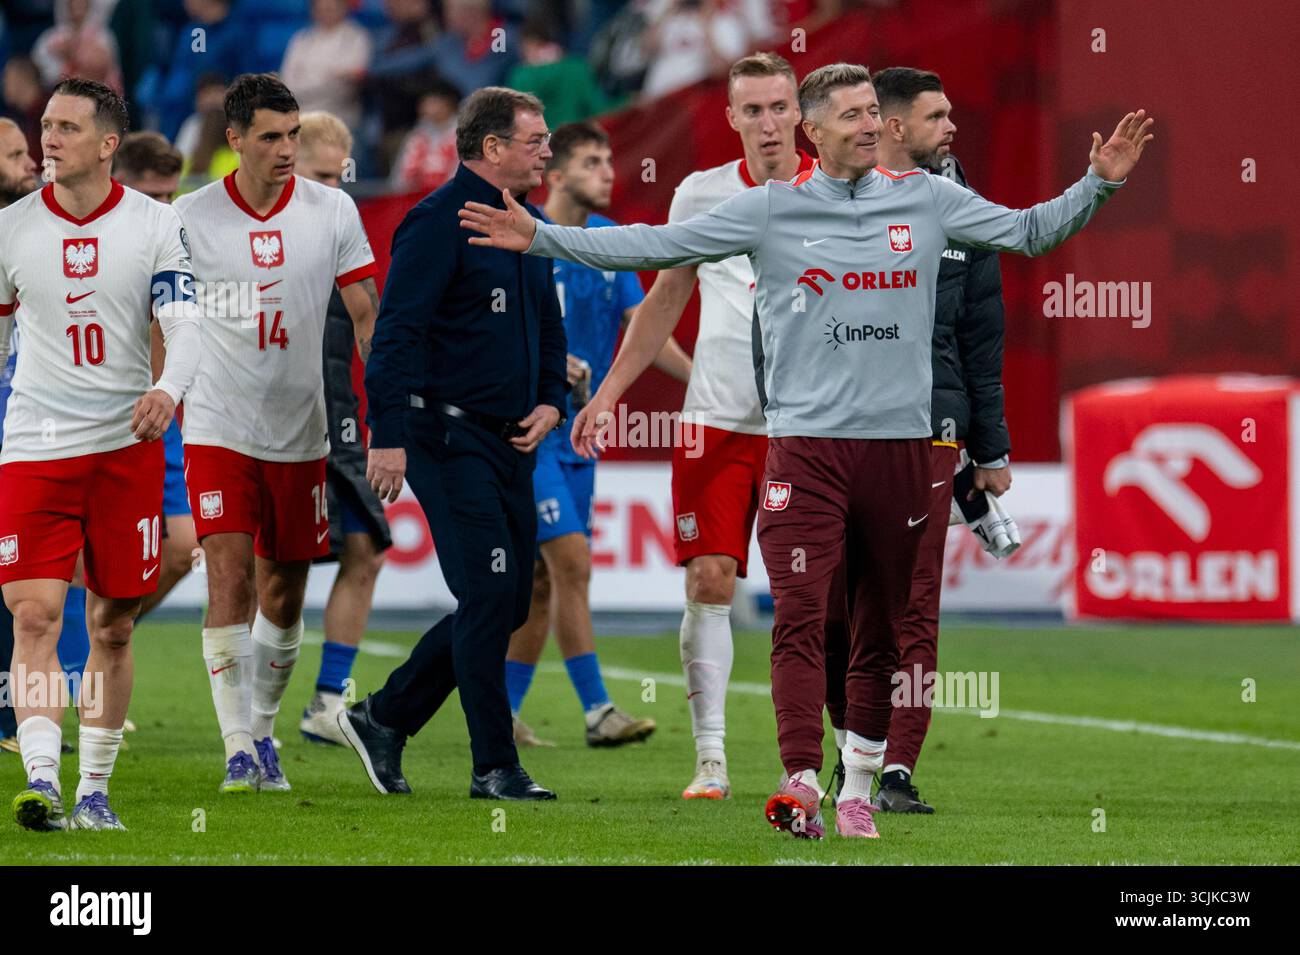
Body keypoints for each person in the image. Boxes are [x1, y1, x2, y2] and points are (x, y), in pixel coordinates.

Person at [460, 62, 1154, 839]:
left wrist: (1098, 183)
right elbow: (654, 245)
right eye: (852, 115)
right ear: (814, 131)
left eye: (873, 111)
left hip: (900, 451)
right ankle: (796, 778)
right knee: (798, 615)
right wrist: (542, 237)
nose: (870, 124)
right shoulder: (769, 209)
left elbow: (1029, 231)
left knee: (877, 629)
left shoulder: (928, 199)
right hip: (804, 451)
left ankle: (856, 788)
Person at [560, 52, 813, 799]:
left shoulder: (835, 190)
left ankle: (819, 760)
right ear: (731, 117)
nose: (768, 123)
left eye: (779, 107)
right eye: (752, 110)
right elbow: (666, 297)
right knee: (708, 577)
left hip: (811, 425)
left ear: (800, 113)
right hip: (715, 418)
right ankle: (710, 759)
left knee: (812, 595)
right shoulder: (700, 194)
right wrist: (609, 394)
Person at [341, 86, 567, 801]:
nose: (548, 151)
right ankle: (494, 765)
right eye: (536, 140)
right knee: (490, 592)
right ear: (492, 147)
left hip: (512, 440)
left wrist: (552, 400)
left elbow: (548, 323)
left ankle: (384, 715)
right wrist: (387, 434)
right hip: (446, 433)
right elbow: (395, 332)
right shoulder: (437, 220)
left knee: (508, 601)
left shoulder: (531, 224)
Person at [0, 79, 202, 830]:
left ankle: (95, 790)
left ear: (109, 143)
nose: (48, 139)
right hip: (35, 448)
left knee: (113, 625)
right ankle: (43, 780)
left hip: (126, 448)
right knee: (34, 615)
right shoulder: (10, 227)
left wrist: (169, 389)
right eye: (45, 125)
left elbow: (185, 324)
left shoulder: (156, 224)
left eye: (66, 127)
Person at [173, 73, 379, 794]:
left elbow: (364, 310)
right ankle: (237, 747)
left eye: (293, 135)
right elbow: (165, 316)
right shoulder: (191, 216)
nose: (287, 149)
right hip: (217, 424)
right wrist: (165, 390)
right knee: (229, 576)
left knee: (285, 590)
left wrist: (387, 400)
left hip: (301, 429)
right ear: (235, 140)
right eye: (270, 137)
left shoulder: (333, 209)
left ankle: (263, 730)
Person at [823, 67, 1013, 814]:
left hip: (933, 431)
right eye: (937, 117)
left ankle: (894, 767)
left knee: (912, 599)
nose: (952, 127)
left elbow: (982, 341)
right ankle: (854, 744)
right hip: (838, 429)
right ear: (896, 128)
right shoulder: (828, 204)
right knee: (832, 605)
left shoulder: (966, 214)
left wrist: (989, 451)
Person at [506, 121, 691, 748]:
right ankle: (598, 711)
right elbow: (489, 326)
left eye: (610, 160)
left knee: (541, 583)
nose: (608, 172)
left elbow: (646, 327)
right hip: (529, 434)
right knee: (573, 564)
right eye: (592, 162)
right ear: (555, 174)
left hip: (582, 439)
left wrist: (701, 379)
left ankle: (501, 712)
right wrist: (541, 359)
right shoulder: (524, 236)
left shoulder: (612, 243)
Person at [291, 111, 393, 747]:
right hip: (277, 424)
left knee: (366, 549)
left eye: (340, 176)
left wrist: (384, 415)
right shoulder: (259, 238)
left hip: (341, 421)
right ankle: (249, 712)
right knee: (277, 568)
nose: (334, 188)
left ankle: (328, 702)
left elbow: (372, 331)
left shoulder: (345, 234)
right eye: (321, 176)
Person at [112, 132, 196, 622]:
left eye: (171, 194)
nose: (165, 206)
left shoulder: (174, 244)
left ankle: (107, 636)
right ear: (120, 182)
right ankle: (84, 646)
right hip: (95, 413)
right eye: (152, 194)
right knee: (83, 558)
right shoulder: (88, 241)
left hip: (159, 417)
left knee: (184, 548)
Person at [0, 116, 41, 756]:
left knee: (21, 584)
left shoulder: (36, 233)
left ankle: (15, 716)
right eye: (14, 155)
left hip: (30, 428)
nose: (31, 162)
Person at [280, 0, 373, 132]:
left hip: (340, 122)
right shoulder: (301, 39)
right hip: (300, 119)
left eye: (331, 7)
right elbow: (287, 84)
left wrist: (306, 79)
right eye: (320, 7)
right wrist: (327, 76)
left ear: (344, 8)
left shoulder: (357, 38)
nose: (325, 11)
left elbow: (344, 89)